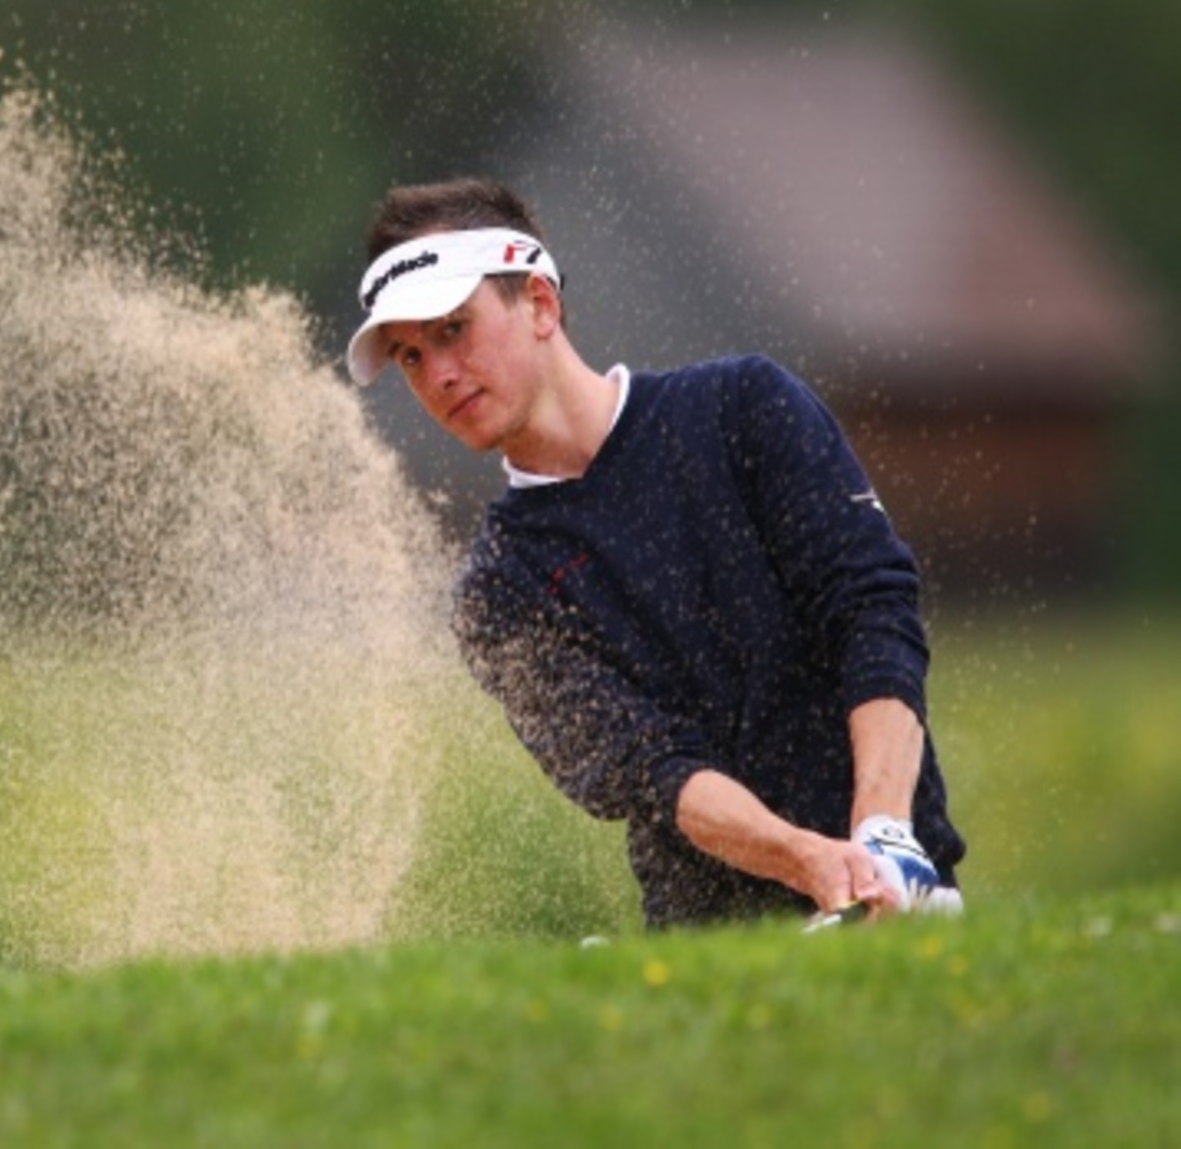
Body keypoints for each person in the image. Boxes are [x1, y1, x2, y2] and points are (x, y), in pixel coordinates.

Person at [347, 178, 965, 929]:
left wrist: (883, 836)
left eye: (453, 328)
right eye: (410, 356)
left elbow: (872, 610)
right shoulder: (497, 594)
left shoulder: (743, 410)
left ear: (540, 303)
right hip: (710, 943)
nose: (438, 375)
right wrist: (814, 863)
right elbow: (652, 768)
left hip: (907, 893)